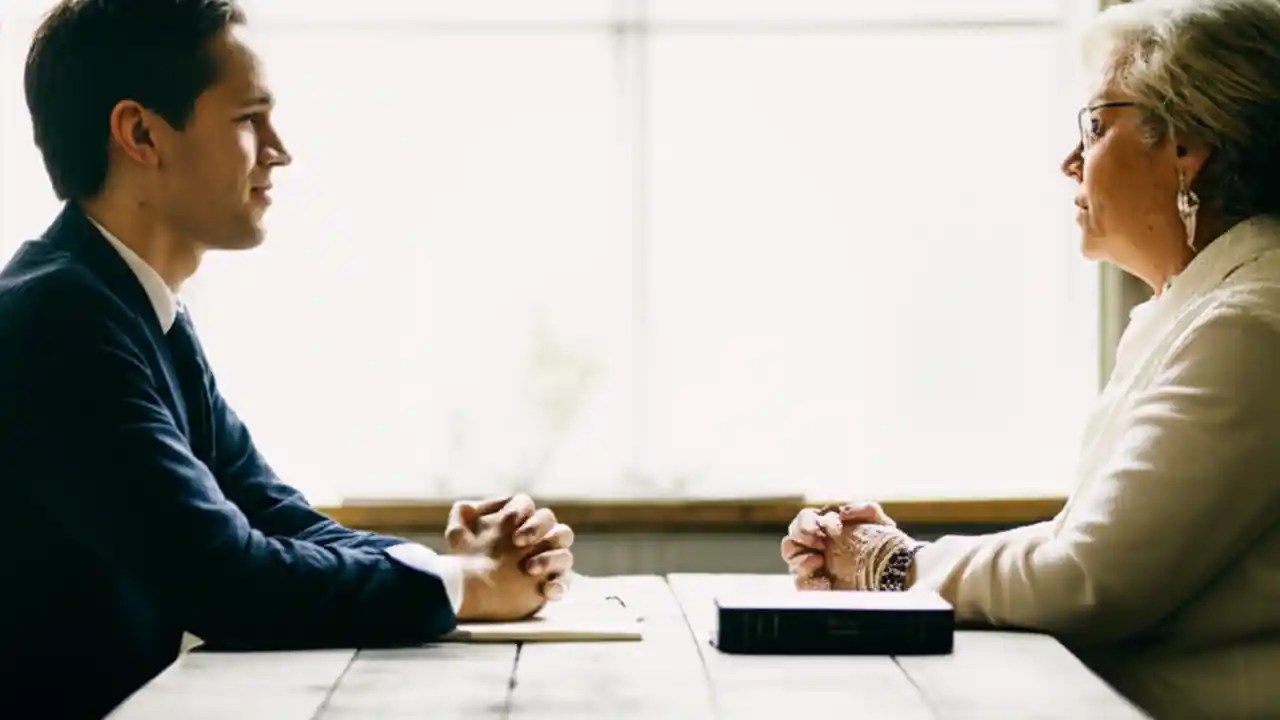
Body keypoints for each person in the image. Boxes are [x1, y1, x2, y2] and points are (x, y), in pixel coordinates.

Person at [0, 1, 575, 717]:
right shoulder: (59, 320)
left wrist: (453, 567)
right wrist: (463, 586)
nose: (278, 149)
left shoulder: (131, 309)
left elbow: (276, 520)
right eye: (249, 118)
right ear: (142, 133)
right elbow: (228, 580)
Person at [782, 0, 1280, 717]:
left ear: (1185, 147)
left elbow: (1086, 578)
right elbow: (1094, 541)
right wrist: (895, 555)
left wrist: (892, 565)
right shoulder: (1204, 313)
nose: (1070, 161)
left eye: (1095, 125)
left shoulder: (1248, 330)